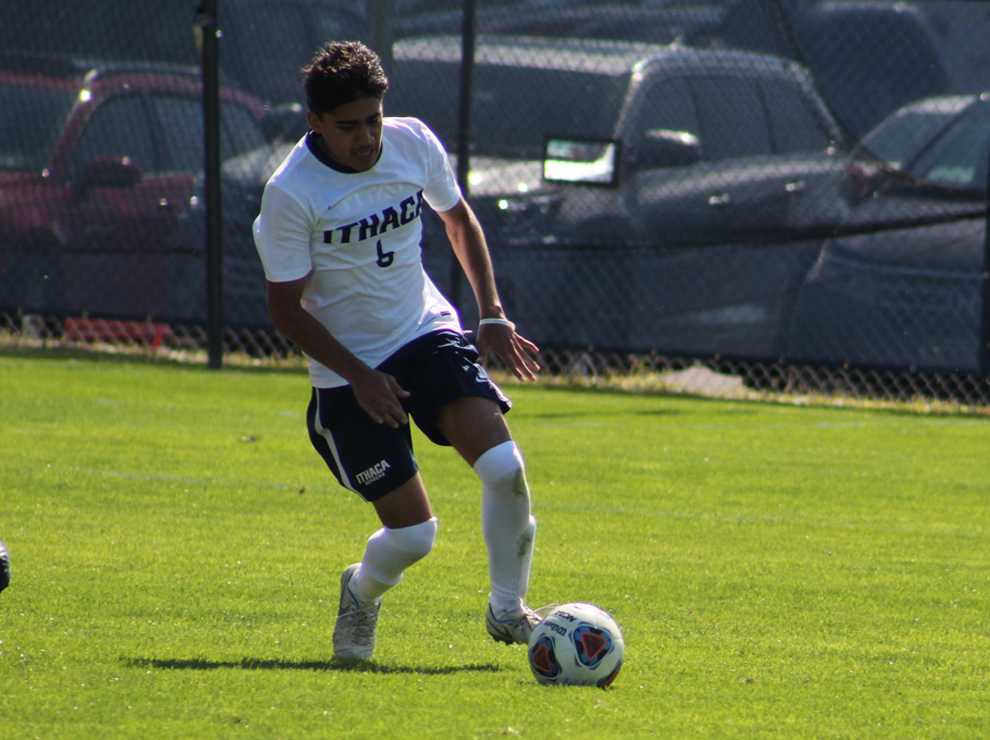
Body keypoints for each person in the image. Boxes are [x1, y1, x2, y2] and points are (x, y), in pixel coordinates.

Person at [253, 40, 547, 660]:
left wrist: (490, 311)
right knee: (414, 535)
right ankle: (361, 593)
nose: (366, 137)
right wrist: (360, 376)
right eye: (348, 126)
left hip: (424, 332)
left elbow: (459, 220)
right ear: (314, 124)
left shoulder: (413, 142)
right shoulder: (291, 193)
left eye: (373, 119)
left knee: (505, 469)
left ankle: (506, 609)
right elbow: (284, 309)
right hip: (346, 369)